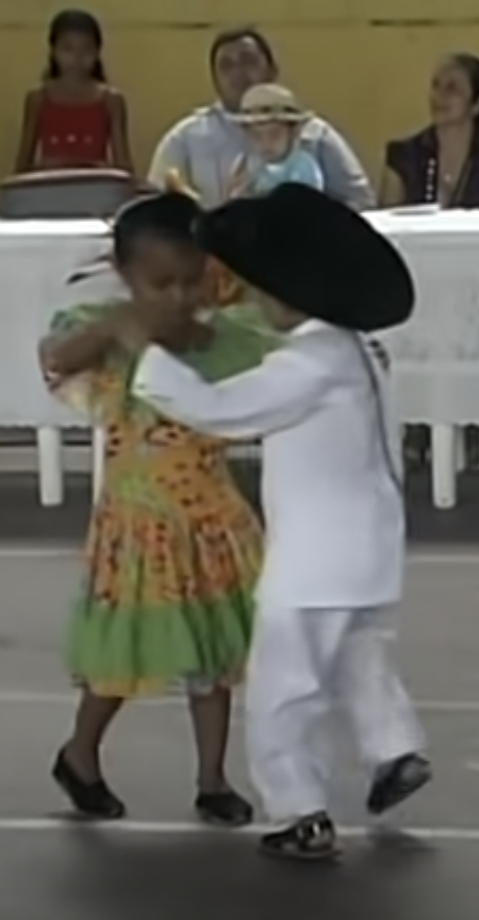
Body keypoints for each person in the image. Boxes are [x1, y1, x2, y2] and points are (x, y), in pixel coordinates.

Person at [125, 183, 430, 860]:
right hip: (373, 552)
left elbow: (224, 410)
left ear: (290, 293)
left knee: (283, 688)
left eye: (262, 292)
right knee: (360, 660)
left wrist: (146, 354)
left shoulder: (309, 363)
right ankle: (396, 749)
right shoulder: (360, 349)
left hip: (316, 560)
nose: (257, 303)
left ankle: (301, 811)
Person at [38, 192, 279, 825]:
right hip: (137, 526)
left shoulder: (225, 335)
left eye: (190, 279)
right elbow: (58, 359)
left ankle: (211, 779)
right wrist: (120, 324)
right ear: (126, 275)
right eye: (159, 283)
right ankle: (80, 754)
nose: (177, 296)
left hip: (210, 524)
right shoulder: (101, 329)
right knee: (118, 659)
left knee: (213, 658)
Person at [148, 27, 372, 210]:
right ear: (215, 80)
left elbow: (360, 200)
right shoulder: (185, 139)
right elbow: (154, 208)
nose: (238, 73)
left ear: (272, 71)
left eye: (248, 61)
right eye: (226, 66)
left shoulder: (314, 134)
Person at [380, 53, 479, 208]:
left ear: (478, 105)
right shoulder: (403, 156)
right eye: (436, 85)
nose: (439, 96)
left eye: (452, 88)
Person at [15, 8, 133, 173]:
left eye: (87, 50)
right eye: (68, 49)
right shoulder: (38, 99)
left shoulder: (111, 100)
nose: (77, 58)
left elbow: (124, 169)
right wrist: (50, 166)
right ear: (54, 51)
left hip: (95, 188)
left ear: (97, 53)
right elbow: (22, 168)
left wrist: (94, 168)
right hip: (50, 189)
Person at [228, 83, 324, 195]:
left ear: (293, 132)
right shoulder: (247, 165)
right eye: (257, 137)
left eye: (274, 135)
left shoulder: (303, 167)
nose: (266, 143)